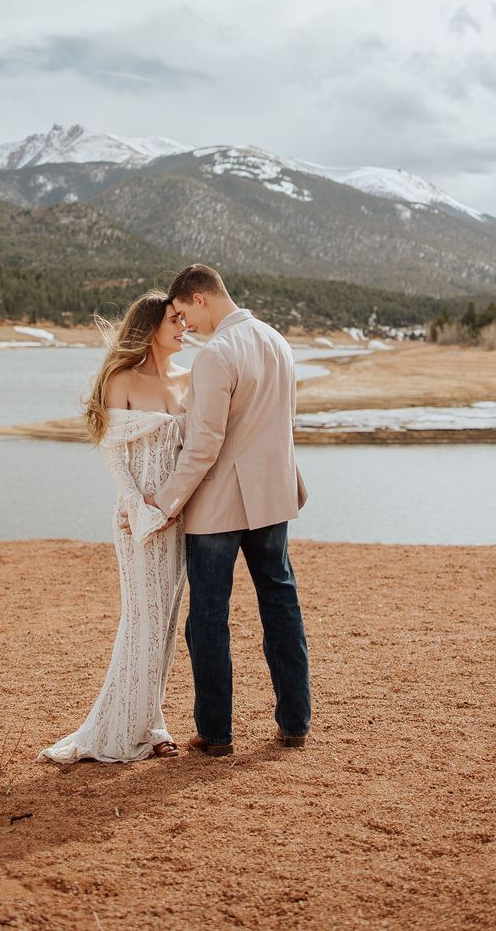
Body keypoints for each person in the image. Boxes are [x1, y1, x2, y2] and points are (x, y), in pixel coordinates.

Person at [146, 263, 312, 756]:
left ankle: (216, 734)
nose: (183, 325)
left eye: (181, 313)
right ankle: (295, 723)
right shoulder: (277, 340)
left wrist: (166, 500)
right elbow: (285, 422)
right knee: (281, 607)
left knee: (208, 619)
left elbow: (203, 445)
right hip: (273, 499)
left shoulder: (217, 354)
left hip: (219, 506)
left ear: (200, 298)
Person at [38, 293, 188, 764]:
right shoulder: (122, 379)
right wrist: (134, 504)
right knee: (142, 619)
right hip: (137, 520)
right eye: (174, 320)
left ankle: (151, 721)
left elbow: (195, 450)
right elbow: (112, 451)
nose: (184, 326)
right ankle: (129, 727)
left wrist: (178, 503)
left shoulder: (190, 379)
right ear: (150, 328)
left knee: (165, 624)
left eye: (184, 318)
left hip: (181, 517)